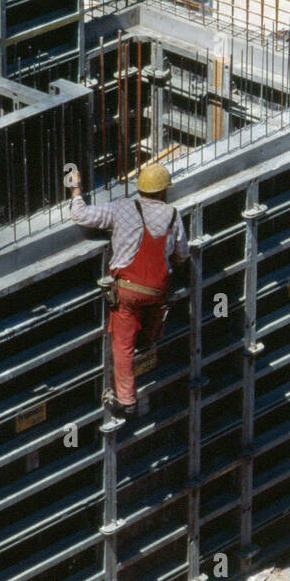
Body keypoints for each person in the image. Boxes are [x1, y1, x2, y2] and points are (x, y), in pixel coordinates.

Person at [72, 161, 189, 418]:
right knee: (150, 327)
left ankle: (126, 400)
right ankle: (148, 342)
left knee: (123, 345)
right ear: (163, 191)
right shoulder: (172, 214)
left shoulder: (121, 209)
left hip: (127, 291)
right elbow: (182, 255)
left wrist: (76, 191)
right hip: (157, 292)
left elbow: (81, 216)